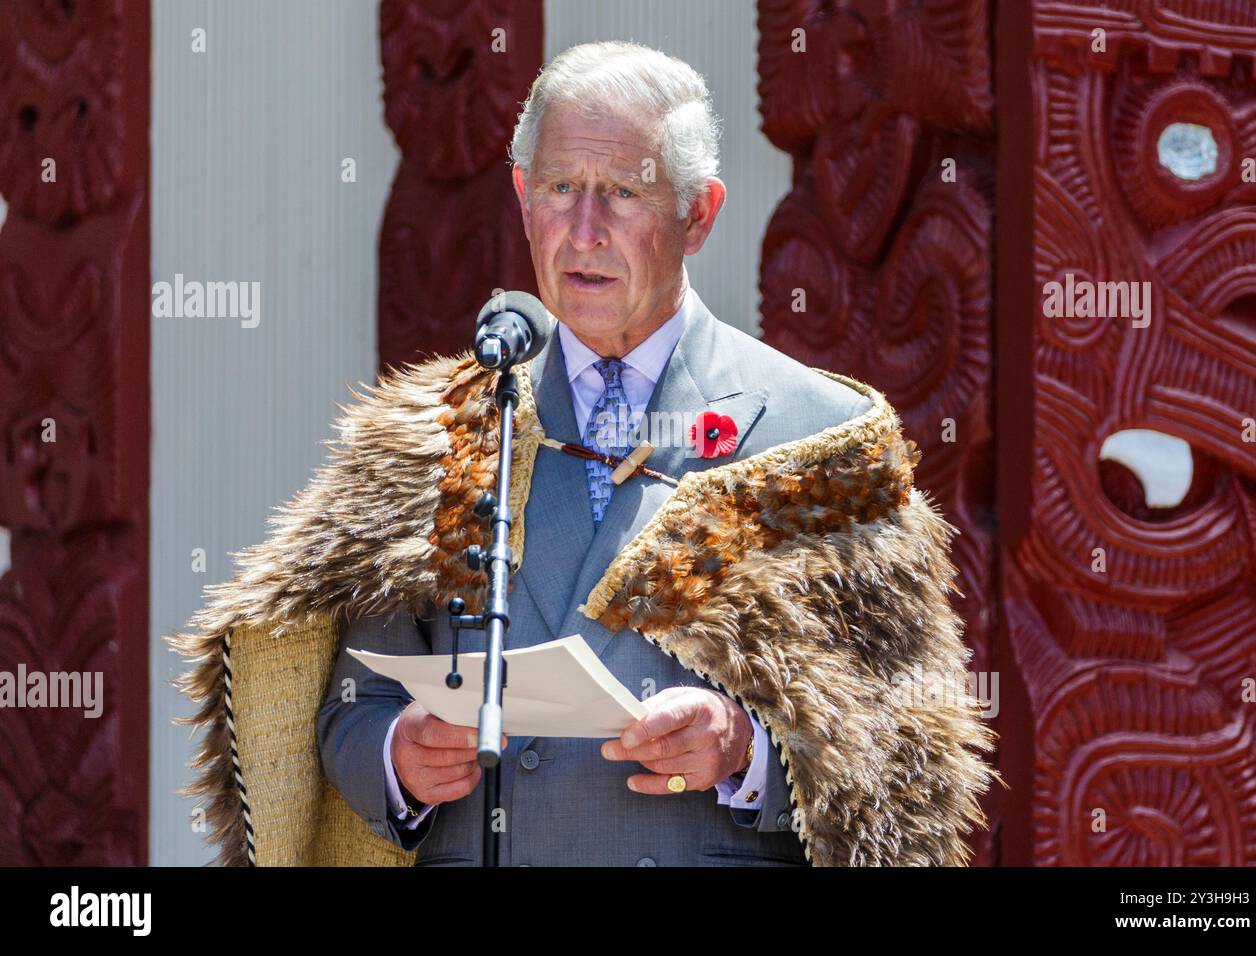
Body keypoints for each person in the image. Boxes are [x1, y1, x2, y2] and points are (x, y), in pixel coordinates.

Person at [172, 40, 996, 868]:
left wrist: (748, 753)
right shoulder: (443, 428)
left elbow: (910, 753)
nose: (584, 231)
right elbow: (354, 704)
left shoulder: (817, 432)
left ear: (698, 215)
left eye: (625, 193)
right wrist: (397, 757)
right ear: (526, 196)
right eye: (562, 188)